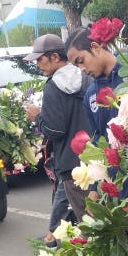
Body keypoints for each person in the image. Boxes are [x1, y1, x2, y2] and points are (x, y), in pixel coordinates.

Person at [24, 34, 92, 225]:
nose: (37, 64)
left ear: (54, 57)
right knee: (103, 216)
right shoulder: (86, 77)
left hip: (72, 167)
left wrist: (37, 116)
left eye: (39, 59)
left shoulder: (53, 87)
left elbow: (54, 130)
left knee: (90, 224)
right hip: (95, 160)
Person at [65, 26, 128, 141]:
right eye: (77, 65)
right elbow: (98, 138)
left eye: (81, 61)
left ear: (95, 47)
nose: (81, 69)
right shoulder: (90, 96)